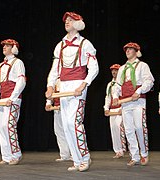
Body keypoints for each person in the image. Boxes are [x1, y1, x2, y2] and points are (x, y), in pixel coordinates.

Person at [45, 12, 99, 172]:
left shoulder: (85, 44)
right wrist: (50, 86)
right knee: (67, 125)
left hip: (77, 85)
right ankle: (76, 160)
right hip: (64, 86)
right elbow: (55, 69)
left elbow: (94, 67)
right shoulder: (60, 45)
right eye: (65, 21)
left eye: (70, 20)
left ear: (77, 24)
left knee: (75, 123)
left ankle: (85, 158)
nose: (67, 22)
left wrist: (84, 84)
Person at [112, 42, 154, 166]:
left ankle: (144, 153)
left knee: (139, 127)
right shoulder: (122, 68)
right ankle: (134, 155)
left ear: (136, 52)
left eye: (130, 49)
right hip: (125, 102)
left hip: (138, 101)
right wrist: (115, 96)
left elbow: (149, 81)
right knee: (129, 129)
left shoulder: (143, 66)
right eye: (126, 49)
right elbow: (118, 85)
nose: (128, 51)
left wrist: (139, 91)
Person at [0, 38, 26, 165]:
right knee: (2, 128)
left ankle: (16, 154)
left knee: (10, 126)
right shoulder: (1, 65)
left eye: (7, 45)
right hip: (3, 99)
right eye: (3, 45)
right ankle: (6, 156)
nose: (4, 47)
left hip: (12, 100)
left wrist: (12, 98)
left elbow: (21, 82)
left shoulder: (18, 62)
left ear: (13, 48)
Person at [103, 64, 127, 159]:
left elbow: (125, 96)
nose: (114, 72)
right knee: (113, 129)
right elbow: (108, 97)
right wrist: (106, 108)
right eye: (112, 70)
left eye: (116, 70)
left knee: (119, 127)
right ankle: (117, 150)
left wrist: (124, 107)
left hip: (121, 108)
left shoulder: (123, 83)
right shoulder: (110, 84)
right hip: (113, 109)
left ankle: (123, 148)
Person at [45, 78, 71, 162]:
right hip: (56, 109)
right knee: (59, 131)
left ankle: (73, 154)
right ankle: (64, 154)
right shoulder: (54, 80)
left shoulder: (68, 79)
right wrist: (48, 104)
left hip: (67, 108)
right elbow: (50, 93)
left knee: (69, 131)